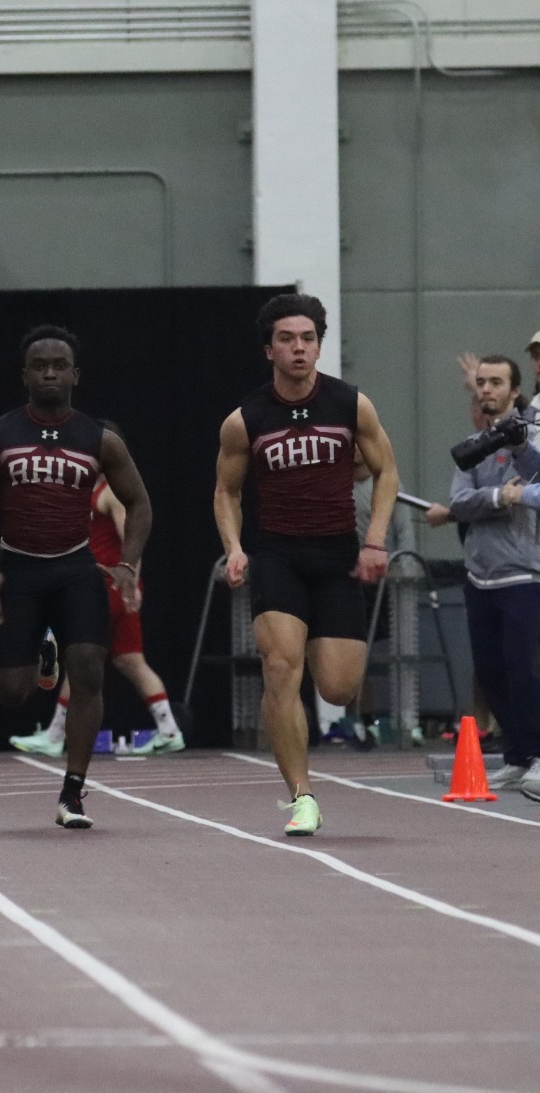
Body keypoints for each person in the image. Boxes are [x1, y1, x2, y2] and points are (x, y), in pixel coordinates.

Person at [214, 294, 397, 837]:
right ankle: (303, 796)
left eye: (308, 339)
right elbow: (226, 491)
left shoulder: (351, 404)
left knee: (339, 689)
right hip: (275, 553)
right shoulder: (245, 418)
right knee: (280, 667)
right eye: (288, 339)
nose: (299, 348)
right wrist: (235, 547)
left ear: (320, 344)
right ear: (269, 348)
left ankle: (308, 752)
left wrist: (375, 542)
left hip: (338, 552)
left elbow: (386, 471)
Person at [0, 327, 152, 829]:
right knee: (11, 692)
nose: (49, 372)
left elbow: (139, 504)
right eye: (39, 364)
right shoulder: (0, 435)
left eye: (59, 364)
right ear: (24, 374)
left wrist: (128, 564)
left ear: (75, 375)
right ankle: (42, 648)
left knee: (91, 670)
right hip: (19, 570)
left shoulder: (98, 438)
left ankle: (72, 791)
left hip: (76, 568)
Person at [11, 434, 184, 758]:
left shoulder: (111, 495)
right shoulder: (84, 491)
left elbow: (131, 536)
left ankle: (54, 735)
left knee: (79, 655)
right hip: (106, 587)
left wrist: (131, 581)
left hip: (109, 588)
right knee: (131, 660)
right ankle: (170, 730)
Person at [425, 356, 540, 799]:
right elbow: (460, 502)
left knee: (523, 671)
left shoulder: (531, 440)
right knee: (491, 673)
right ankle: (517, 755)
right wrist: (500, 496)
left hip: (524, 575)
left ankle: (537, 754)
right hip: (480, 576)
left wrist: (520, 463)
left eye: (496, 382)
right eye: (481, 383)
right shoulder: (473, 445)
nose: (486, 390)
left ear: (514, 390)